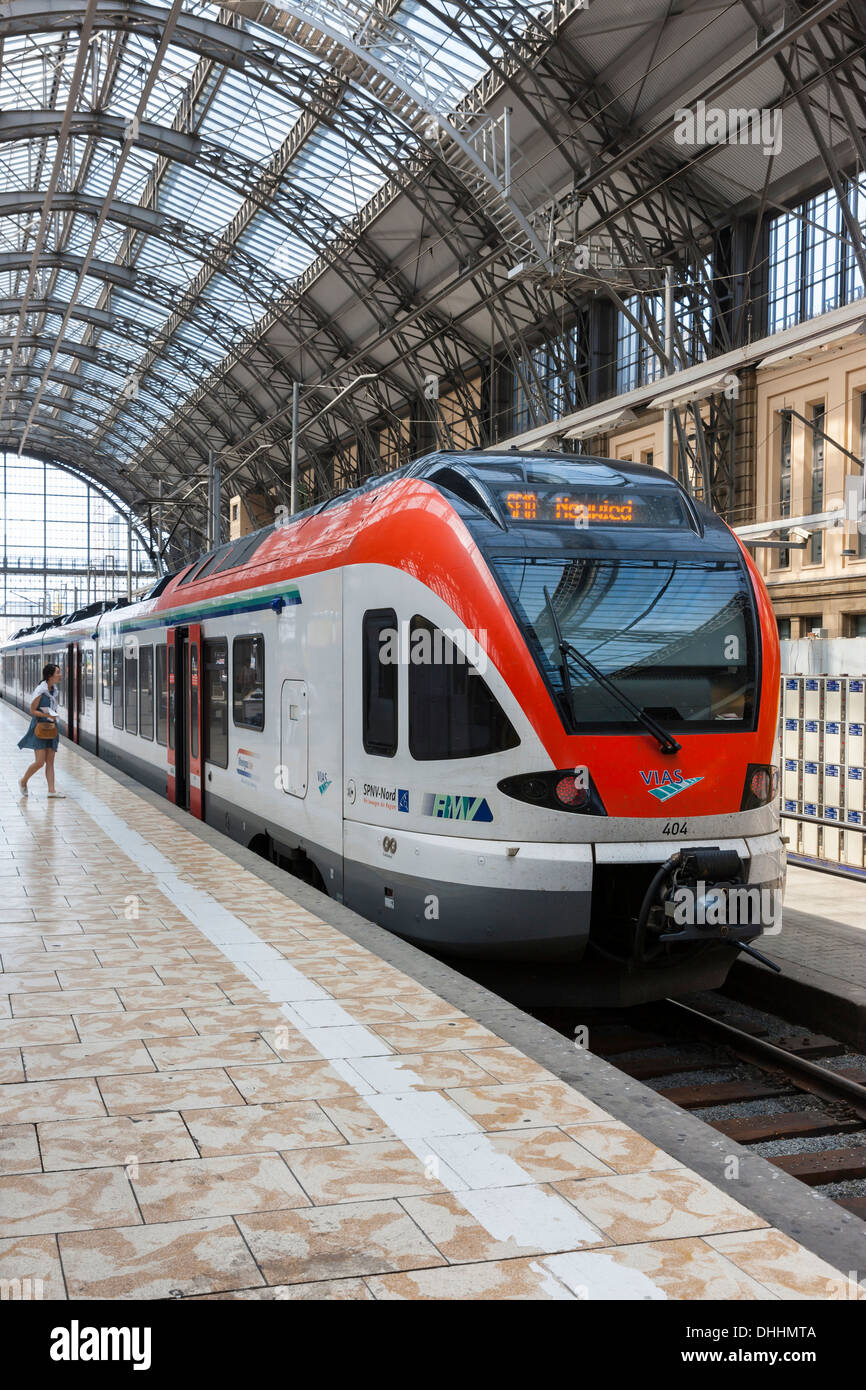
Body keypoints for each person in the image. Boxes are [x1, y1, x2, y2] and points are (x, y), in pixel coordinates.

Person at [18, 662, 66, 798]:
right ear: (50, 676)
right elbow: (32, 710)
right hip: (39, 728)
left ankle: (51, 791)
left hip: (51, 728)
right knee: (40, 762)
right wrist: (47, 715)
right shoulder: (40, 690)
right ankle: (23, 781)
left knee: (50, 761)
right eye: (58, 672)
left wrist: (53, 715)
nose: (60, 675)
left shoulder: (53, 690)